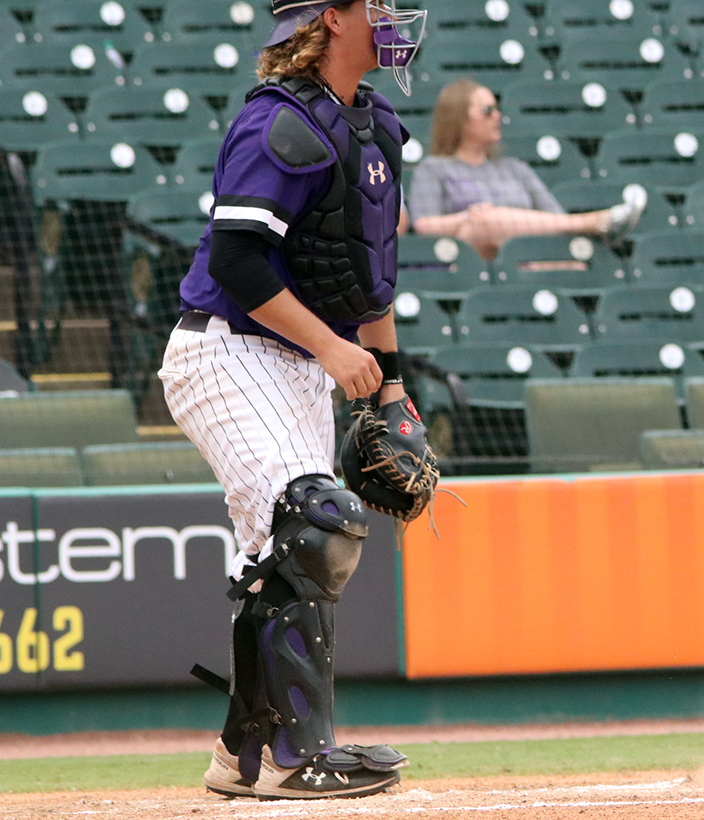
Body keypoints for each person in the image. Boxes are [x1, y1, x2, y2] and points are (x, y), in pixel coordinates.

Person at [157, 0, 428, 800]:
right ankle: (297, 755)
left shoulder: (376, 127)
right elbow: (241, 262)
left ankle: (244, 755)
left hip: (300, 362)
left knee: (283, 559)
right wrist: (335, 348)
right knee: (314, 523)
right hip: (228, 350)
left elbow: (369, 274)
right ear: (332, 19)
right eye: (374, 4)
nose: (392, 17)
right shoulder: (277, 125)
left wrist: (394, 384)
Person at [406, 79, 642, 260]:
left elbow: (555, 219)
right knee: (486, 220)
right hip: (471, 256)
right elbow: (424, 225)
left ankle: (588, 225)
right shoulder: (434, 168)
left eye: (497, 109)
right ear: (459, 119)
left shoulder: (516, 169)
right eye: (488, 111)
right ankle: (593, 222)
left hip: (533, 252)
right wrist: (466, 217)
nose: (497, 116)